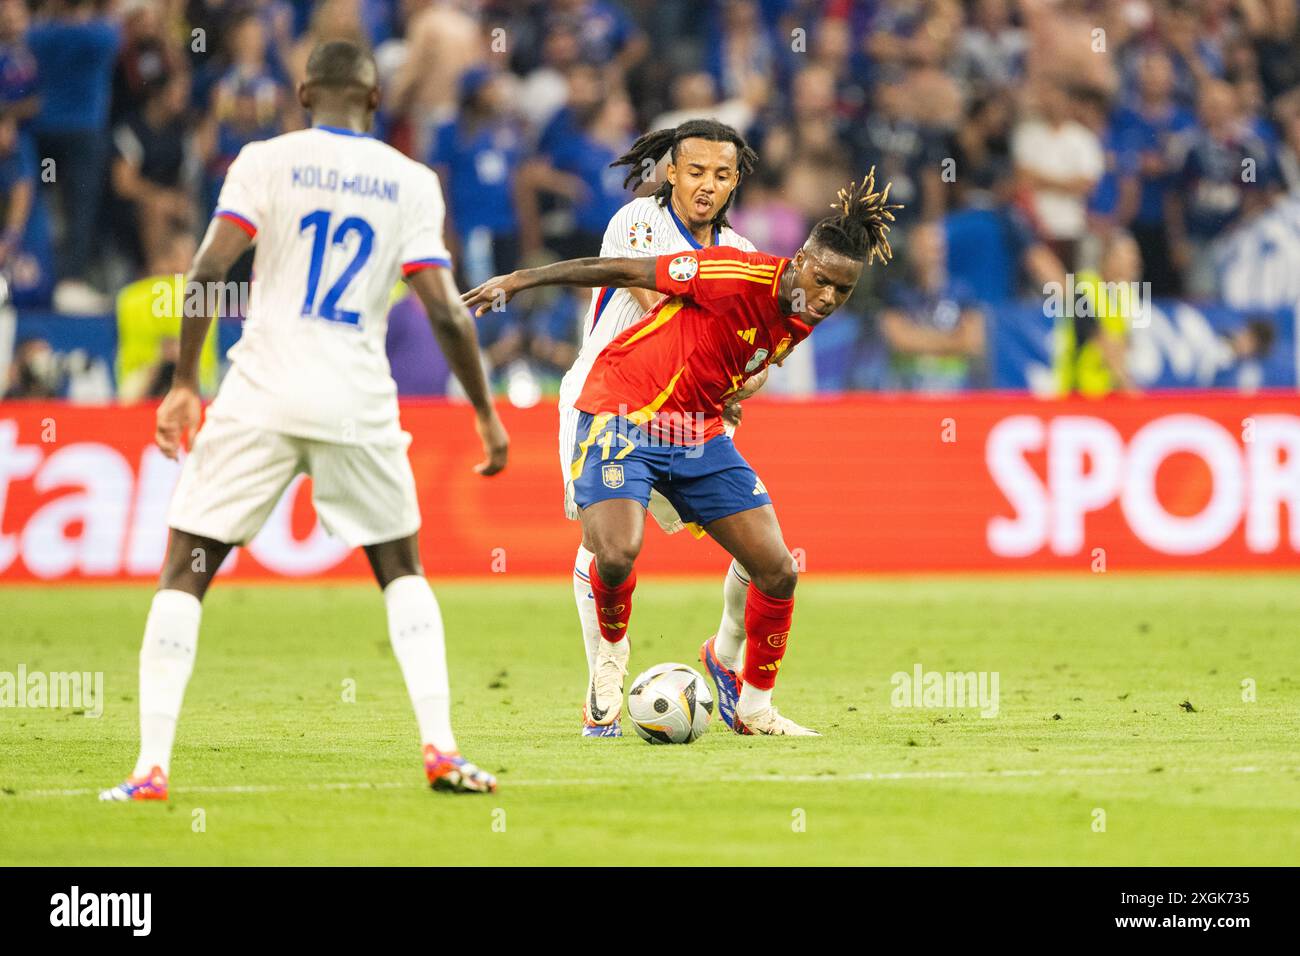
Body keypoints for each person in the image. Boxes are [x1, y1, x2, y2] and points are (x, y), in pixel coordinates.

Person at [99, 40, 509, 802]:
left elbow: (207, 272)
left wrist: (186, 380)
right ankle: (442, 751)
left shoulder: (263, 159)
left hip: (260, 389)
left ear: (302, 94)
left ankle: (150, 768)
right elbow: (447, 311)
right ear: (376, 101)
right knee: (400, 568)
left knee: (187, 566)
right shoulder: (411, 180)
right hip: (355, 397)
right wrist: (485, 412)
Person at [465, 171, 900, 736]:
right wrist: (520, 279)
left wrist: (730, 391)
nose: (827, 298)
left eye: (842, 291)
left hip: (695, 432)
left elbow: (733, 355)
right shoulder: (730, 272)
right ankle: (611, 659)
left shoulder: (804, 314)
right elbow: (622, 271)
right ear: (799, 260)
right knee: (616, 553)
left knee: (777, 569)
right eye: (821, 281)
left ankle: (753, 706)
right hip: (620, 410)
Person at [556, 118, 763, 737]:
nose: (707, 185)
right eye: (695, 171)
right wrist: (722, 371)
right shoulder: (637, 222)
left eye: (721, 175)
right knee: (607, 545)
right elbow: (668, 314)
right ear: (670, 170)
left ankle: (724, 659)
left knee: (763, 551)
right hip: (609, 407)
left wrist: (739, 381)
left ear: (734, 181)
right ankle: (605, 678)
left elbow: (755, 362)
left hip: (686, 418)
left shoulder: (745, 256)